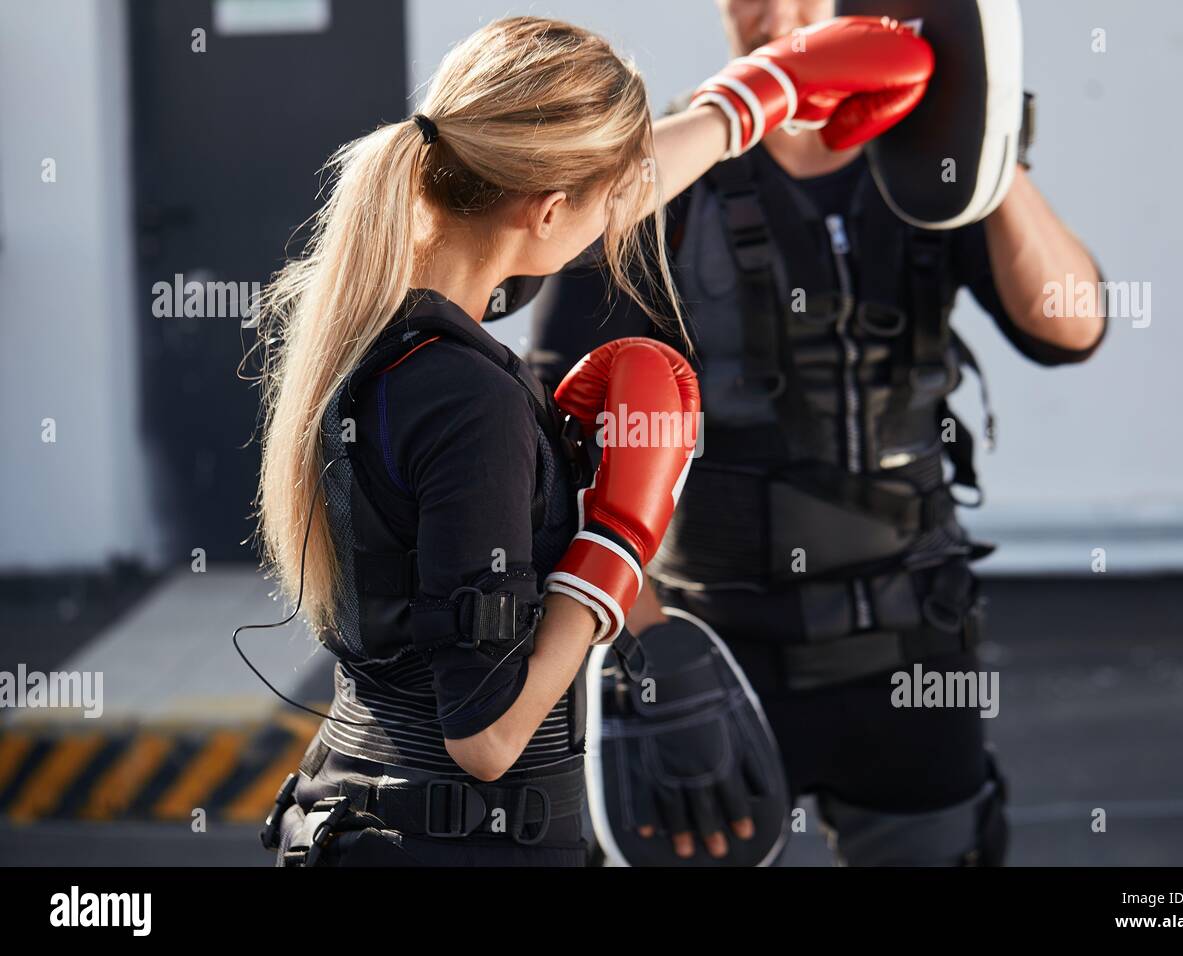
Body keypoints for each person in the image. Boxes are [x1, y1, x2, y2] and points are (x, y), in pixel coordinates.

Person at [252, 14, 905, 866]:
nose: (617, 223)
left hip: (370, 812)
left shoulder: (371, 319)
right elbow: (485, 736)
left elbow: (584, 186)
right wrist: (615, 549)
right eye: (603, 206)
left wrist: (749, 101)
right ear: (551, 208)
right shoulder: (470, 400)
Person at [530, 0, 1107, 866]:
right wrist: (652, 650)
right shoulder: (658, 178)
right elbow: (555, 446)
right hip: (715, 649)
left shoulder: (926, 170)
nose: (777, 13)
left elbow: (1072, 326)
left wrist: (978, 137)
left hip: (911, 646)